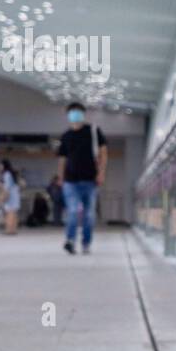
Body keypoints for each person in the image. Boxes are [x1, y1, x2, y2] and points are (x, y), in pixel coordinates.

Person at [57, 102, 108, 255]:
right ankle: (70, 240)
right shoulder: (66, 136)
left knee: (89, 214)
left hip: (90, 180)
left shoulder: (93, 131)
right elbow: (62, 159)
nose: (75, 115)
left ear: (83, 114)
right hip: (70, 181)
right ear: (68, 116)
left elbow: (103, 153)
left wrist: (101, 172)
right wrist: (60, 177)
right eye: (72, 112)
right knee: (72, 211)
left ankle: (86, 243)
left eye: (78, 112)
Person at [0, 159, 22, 235]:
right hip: (15, 194)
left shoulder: (6, 174)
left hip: (10, 195)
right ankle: (14, 229)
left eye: (0, 165)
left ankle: (8, 230)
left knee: (9, 213)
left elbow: (7, 187)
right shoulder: (12, 173)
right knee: (14, 213)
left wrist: (2, 196)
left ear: (4, 165)